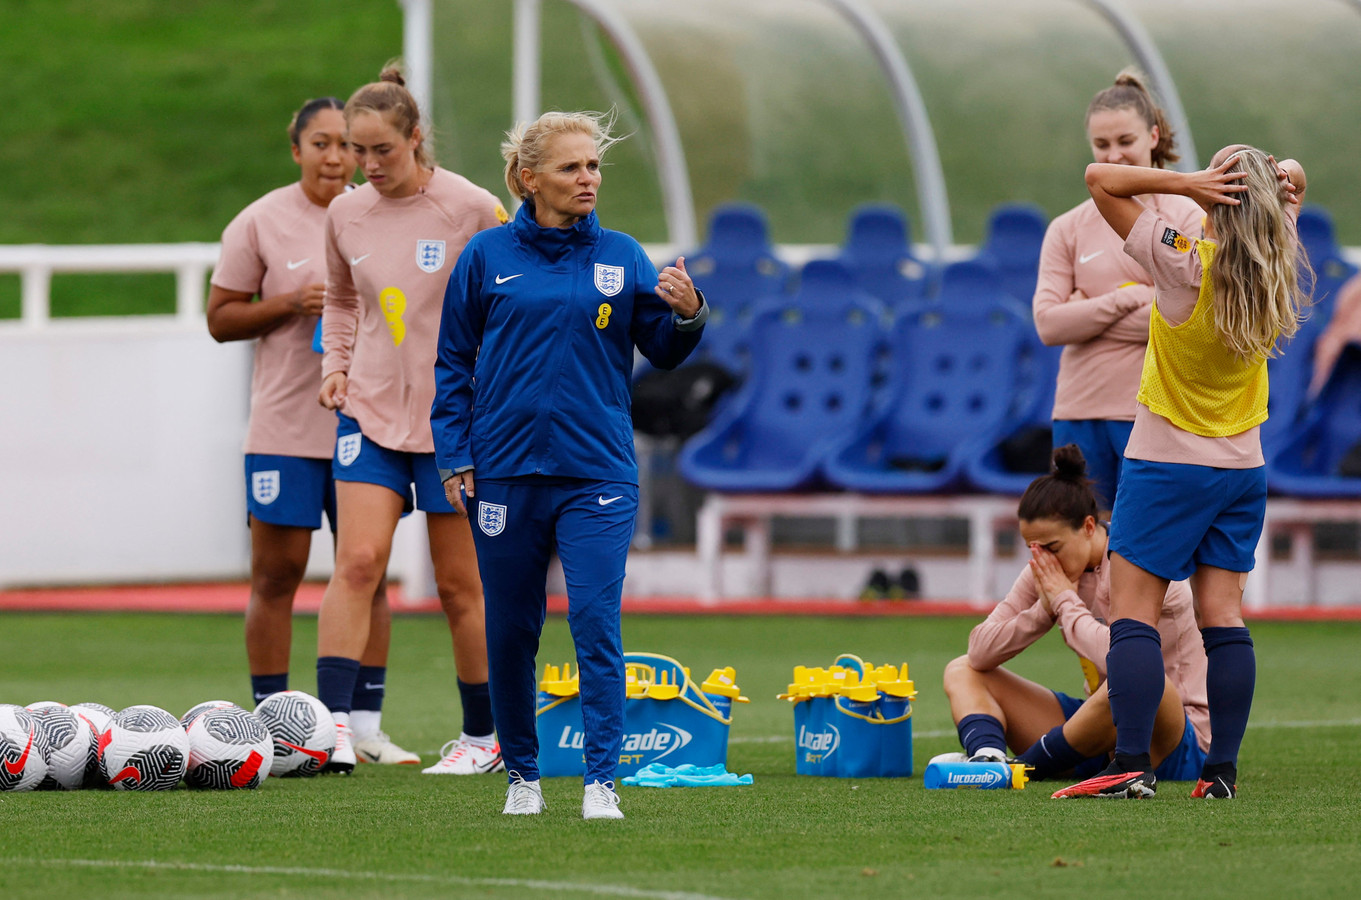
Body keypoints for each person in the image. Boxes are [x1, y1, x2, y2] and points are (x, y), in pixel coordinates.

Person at [431, 110, 707, 818]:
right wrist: (456, 454)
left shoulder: (621, 254)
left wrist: (688, 314)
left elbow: (663, 350)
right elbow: (453, 362)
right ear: (529, 179)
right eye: (571, 167)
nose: (588, 178)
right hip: (504, 471)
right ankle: (522, 776)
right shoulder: (486, 255)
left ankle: (600, 782)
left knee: (593, 620)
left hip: (598, 472)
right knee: (512, 630)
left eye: (593, 166)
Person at [1055, 145, 1307, 799]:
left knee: (1132, 616)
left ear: (1219, 192)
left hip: (1166, 462)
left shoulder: (1180, 257)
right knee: (1222, 617)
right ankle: (1219, 772)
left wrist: (1186, 185)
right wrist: (1276, 183)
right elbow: (1292, 190)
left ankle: (1130, 763)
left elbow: (1098, 180)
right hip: (1241, 470)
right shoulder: (1275, 261)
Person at [207, 97, 417, 766]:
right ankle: (272, 722)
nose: (336, 158)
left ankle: (362, 725)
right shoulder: (260, 222)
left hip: (368, 427)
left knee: (366, 572)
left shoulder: (379, 213)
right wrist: (287, 305)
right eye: (320, 143)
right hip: (284, 429)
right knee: (276, 574)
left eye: (347, 146)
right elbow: (220, 318)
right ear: (295, 149)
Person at [317, 64, 509, 776]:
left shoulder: (471, 208)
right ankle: (332, 728)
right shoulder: (345, 211)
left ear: (416, 138)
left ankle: (484, 739)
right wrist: (334, 364)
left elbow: (509, 302)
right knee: (357, 563)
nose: (366, 167)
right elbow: (341, 302)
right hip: (366, 413)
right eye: (355, 151)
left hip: (454, 425)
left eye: (381, 152)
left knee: (461, 585)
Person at [931, 444, 1208, 785]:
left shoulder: (1138, 566)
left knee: (1137, 678)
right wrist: (1041, 612)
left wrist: (1063, 601)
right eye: (1032, 547)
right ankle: (988, 759)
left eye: (1052, 547)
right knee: (962, 669)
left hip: (1174, 739)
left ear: (1089, 527)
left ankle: (1023, 769)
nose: (1044, 559)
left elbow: (1122, 659)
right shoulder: (1049, 571)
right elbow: (980, 651)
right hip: (1096, 733)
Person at [1033, 70, 1203, 511]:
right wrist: (1131, 296)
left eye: (1125, 141)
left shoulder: (1185, 216)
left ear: (1152, 135)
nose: (1115, 156)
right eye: (1102, 146)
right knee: (1082, 550)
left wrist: (1086, 313)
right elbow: (1049, 326)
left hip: (1152, 413)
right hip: (1077, 411)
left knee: (1145, 557)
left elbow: (1185, 318)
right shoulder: (1067, 228)